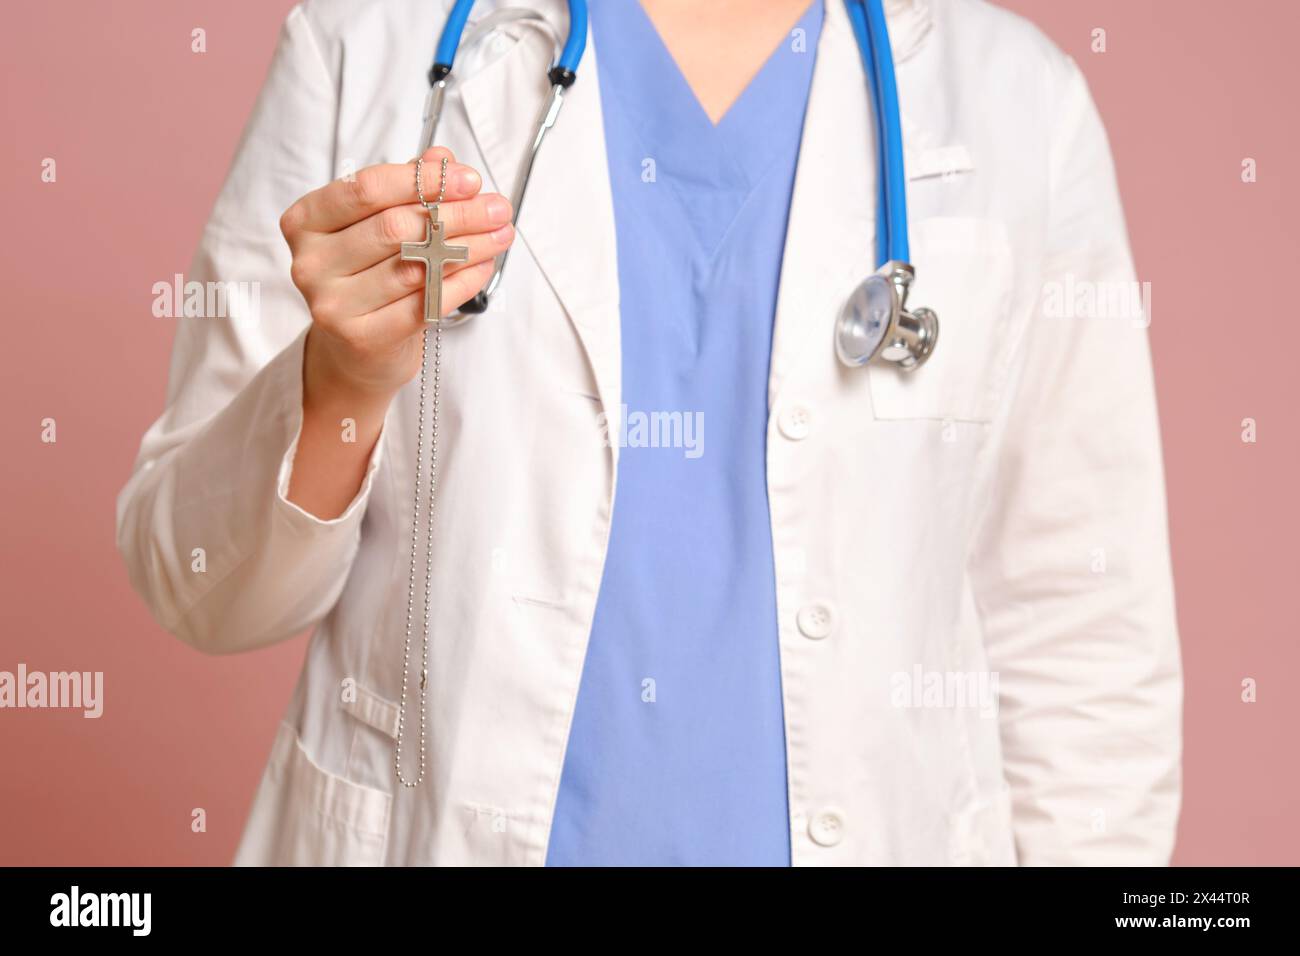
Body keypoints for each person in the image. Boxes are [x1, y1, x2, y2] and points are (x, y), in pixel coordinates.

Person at [116, 0, 1182, 866]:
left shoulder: (1016, 104)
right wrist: (338, 381)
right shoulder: (369, 41)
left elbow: (1083, 635)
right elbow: (198, 580)